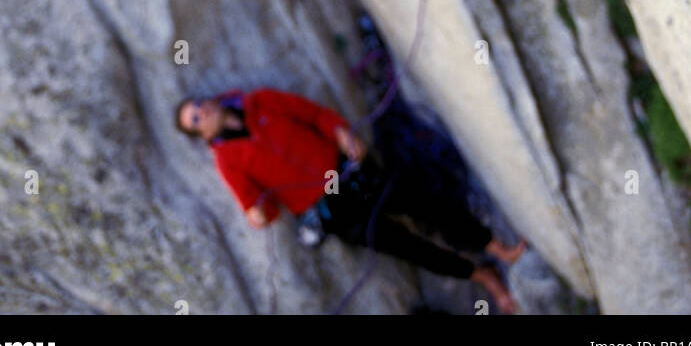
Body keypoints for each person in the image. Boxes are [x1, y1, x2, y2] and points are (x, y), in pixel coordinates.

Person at [176, 87, 525, 312]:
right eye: (194, 120)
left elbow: (313, 114)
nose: (200, 112)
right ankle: (483, 275)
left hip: (347, 170)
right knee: (412, 249)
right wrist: (257, 215)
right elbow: (260, 205)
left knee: (426, 206)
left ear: (210, 99)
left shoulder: (260, 102)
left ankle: (496, 248)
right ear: (201, 134)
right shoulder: (227, 161)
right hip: (331, 209)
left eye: (197, 105)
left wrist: (341, 132)